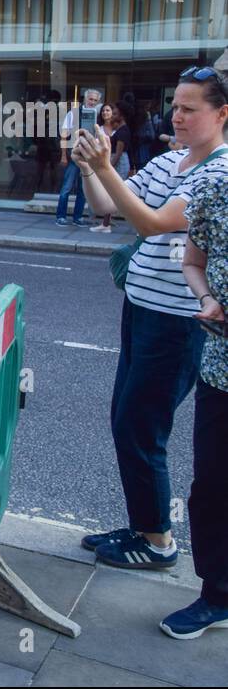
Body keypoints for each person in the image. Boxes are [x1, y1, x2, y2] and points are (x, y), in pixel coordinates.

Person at [73, 66, 228, 571]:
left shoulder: (218, 174)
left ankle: (158, 540)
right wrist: (88, 166)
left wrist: (108, 168)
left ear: (221, 114)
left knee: (142, 426)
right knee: (126, 419)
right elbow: (108, 206)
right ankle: (144, 524)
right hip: (141, 306)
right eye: (175, 107)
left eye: (189, 109)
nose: (176, 117)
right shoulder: (169, 161)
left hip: (178, 321)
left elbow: (152, 221)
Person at [171, 167, 228, 638]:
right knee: (212, 486)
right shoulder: (216, 189)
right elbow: (193, 262)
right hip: (221, 369)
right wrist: (207, 297)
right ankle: (218, 595)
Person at [56, 88, 101, 227]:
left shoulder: (98, 115)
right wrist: (63, 155)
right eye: (90, 99)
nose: (92, 102)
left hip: (89, 157)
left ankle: (78, 217)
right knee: (67, 187)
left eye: (95, 100)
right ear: (85, 99)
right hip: (75, 155)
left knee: (84, 189)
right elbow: (64, 134)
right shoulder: (73, 113)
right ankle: (61, 216)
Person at [90, 100, 134, 233]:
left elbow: (119, 153)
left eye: (115, 113)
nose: (112, 115)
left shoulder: (123, 131)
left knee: (113, 191)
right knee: (113, 191)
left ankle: (106, 224)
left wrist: (108, 166)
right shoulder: (121, 129)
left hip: (119, 161)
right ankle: (106, 223)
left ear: (122, 115)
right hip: (118, 159)